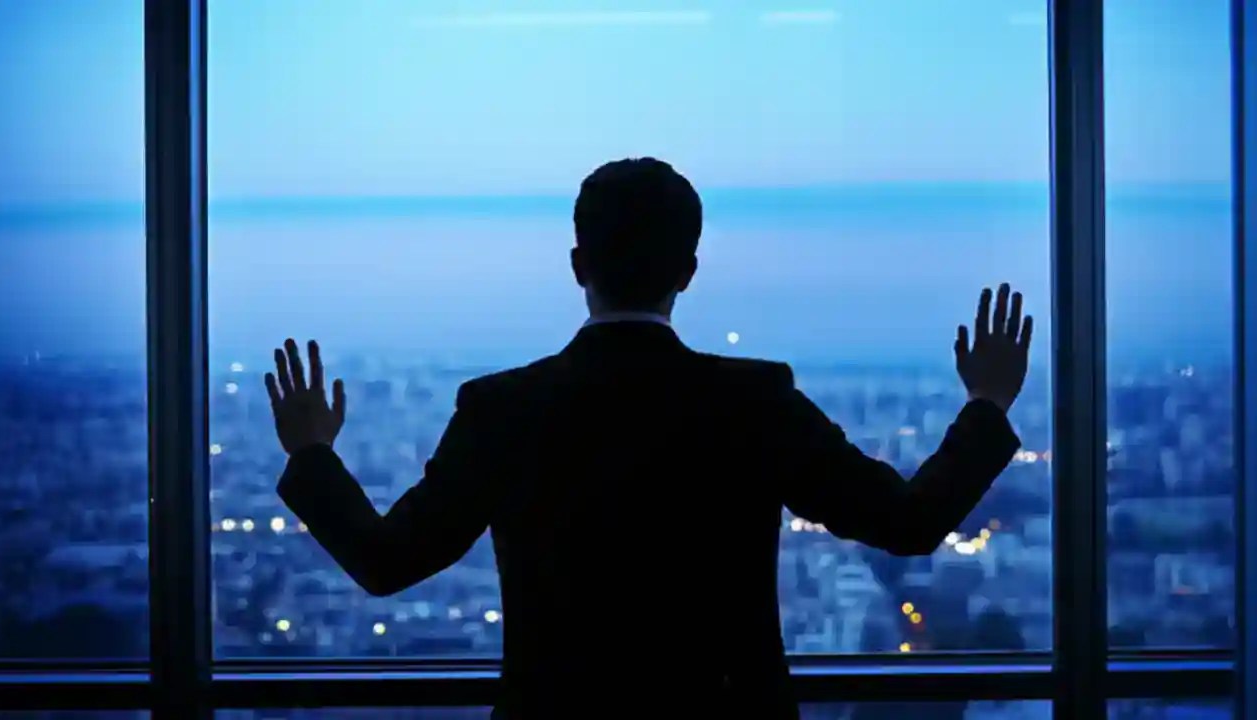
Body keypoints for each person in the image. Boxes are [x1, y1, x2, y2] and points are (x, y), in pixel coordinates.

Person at [265, 158, 1033, 719]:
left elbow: (386, 560)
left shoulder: (503, 409)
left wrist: (311, 453)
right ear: (688, 271)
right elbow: (907, 521)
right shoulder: (752, 402)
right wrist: (986, 405)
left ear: (578, 266)